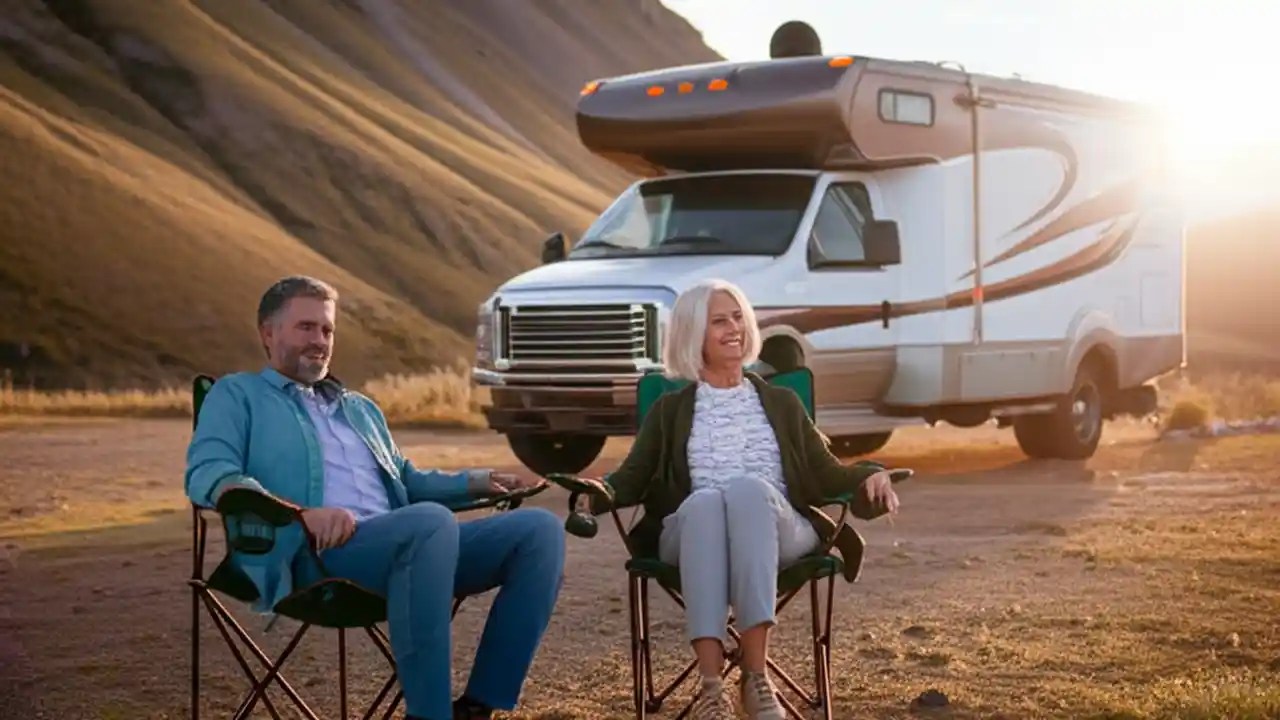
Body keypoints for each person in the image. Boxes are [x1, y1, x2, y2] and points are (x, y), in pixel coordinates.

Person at [185, 275, 565, 720]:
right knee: (428, 523)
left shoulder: (359, 407)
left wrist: (480, 482)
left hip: (413, 548)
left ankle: (477, 706)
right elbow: (209, 473)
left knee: (539, 532)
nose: (320, 341)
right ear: (268, 333)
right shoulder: (237, 395)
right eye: (306, 327)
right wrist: (301, 515)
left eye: (327, 330)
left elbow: (405, 481)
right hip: (313, 555)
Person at [576, 279, 902, 720]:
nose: (734, 328)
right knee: (708, 503)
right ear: (694, 334)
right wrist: (593, 496)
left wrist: (873, 475)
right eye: (718, 321)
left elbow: (829, 474)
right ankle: (712, 689)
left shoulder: (782, 403)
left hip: (778, 531)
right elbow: (629, 479)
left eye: (737, 317)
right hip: (694, 535)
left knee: (749, 492)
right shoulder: (670, 411)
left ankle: (756, 678)